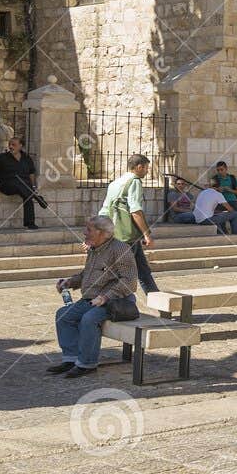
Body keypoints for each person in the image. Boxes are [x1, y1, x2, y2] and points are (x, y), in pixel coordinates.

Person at [47, 216, 139, 377]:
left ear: (102, 233)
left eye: (89, 230)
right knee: (63, 315)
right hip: (91, 299)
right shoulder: (94, 249)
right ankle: (71, 358)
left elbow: (129, 281)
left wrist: (106, 297)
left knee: (89, 319)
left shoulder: (120, 249)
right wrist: (70, 282)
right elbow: (86, 275)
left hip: (116, 302)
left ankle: (87, 364)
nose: (84, 233)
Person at [98, 154, 157, 294]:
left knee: (142, 270)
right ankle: (110, 301)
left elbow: (104, 210)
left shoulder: (115, 183)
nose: (147, 171)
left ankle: (156, 297)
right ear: (139, 167)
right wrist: (147, 234)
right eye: (146, 168)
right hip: (127, 235)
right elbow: (135, 210)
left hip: (115, 234)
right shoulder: (134, 181)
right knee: (127, 272)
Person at [0, 136, 43, 229]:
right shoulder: (2, 158)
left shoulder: (26, 158)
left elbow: (31, 173)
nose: (11, 147)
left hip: (24, 187)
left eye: (14, 145)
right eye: (10, 144)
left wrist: (33, 186)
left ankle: (30, 223)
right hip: (7, 185)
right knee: (21, 186)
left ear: (20, 146)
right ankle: (35, 197)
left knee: (27, 195)